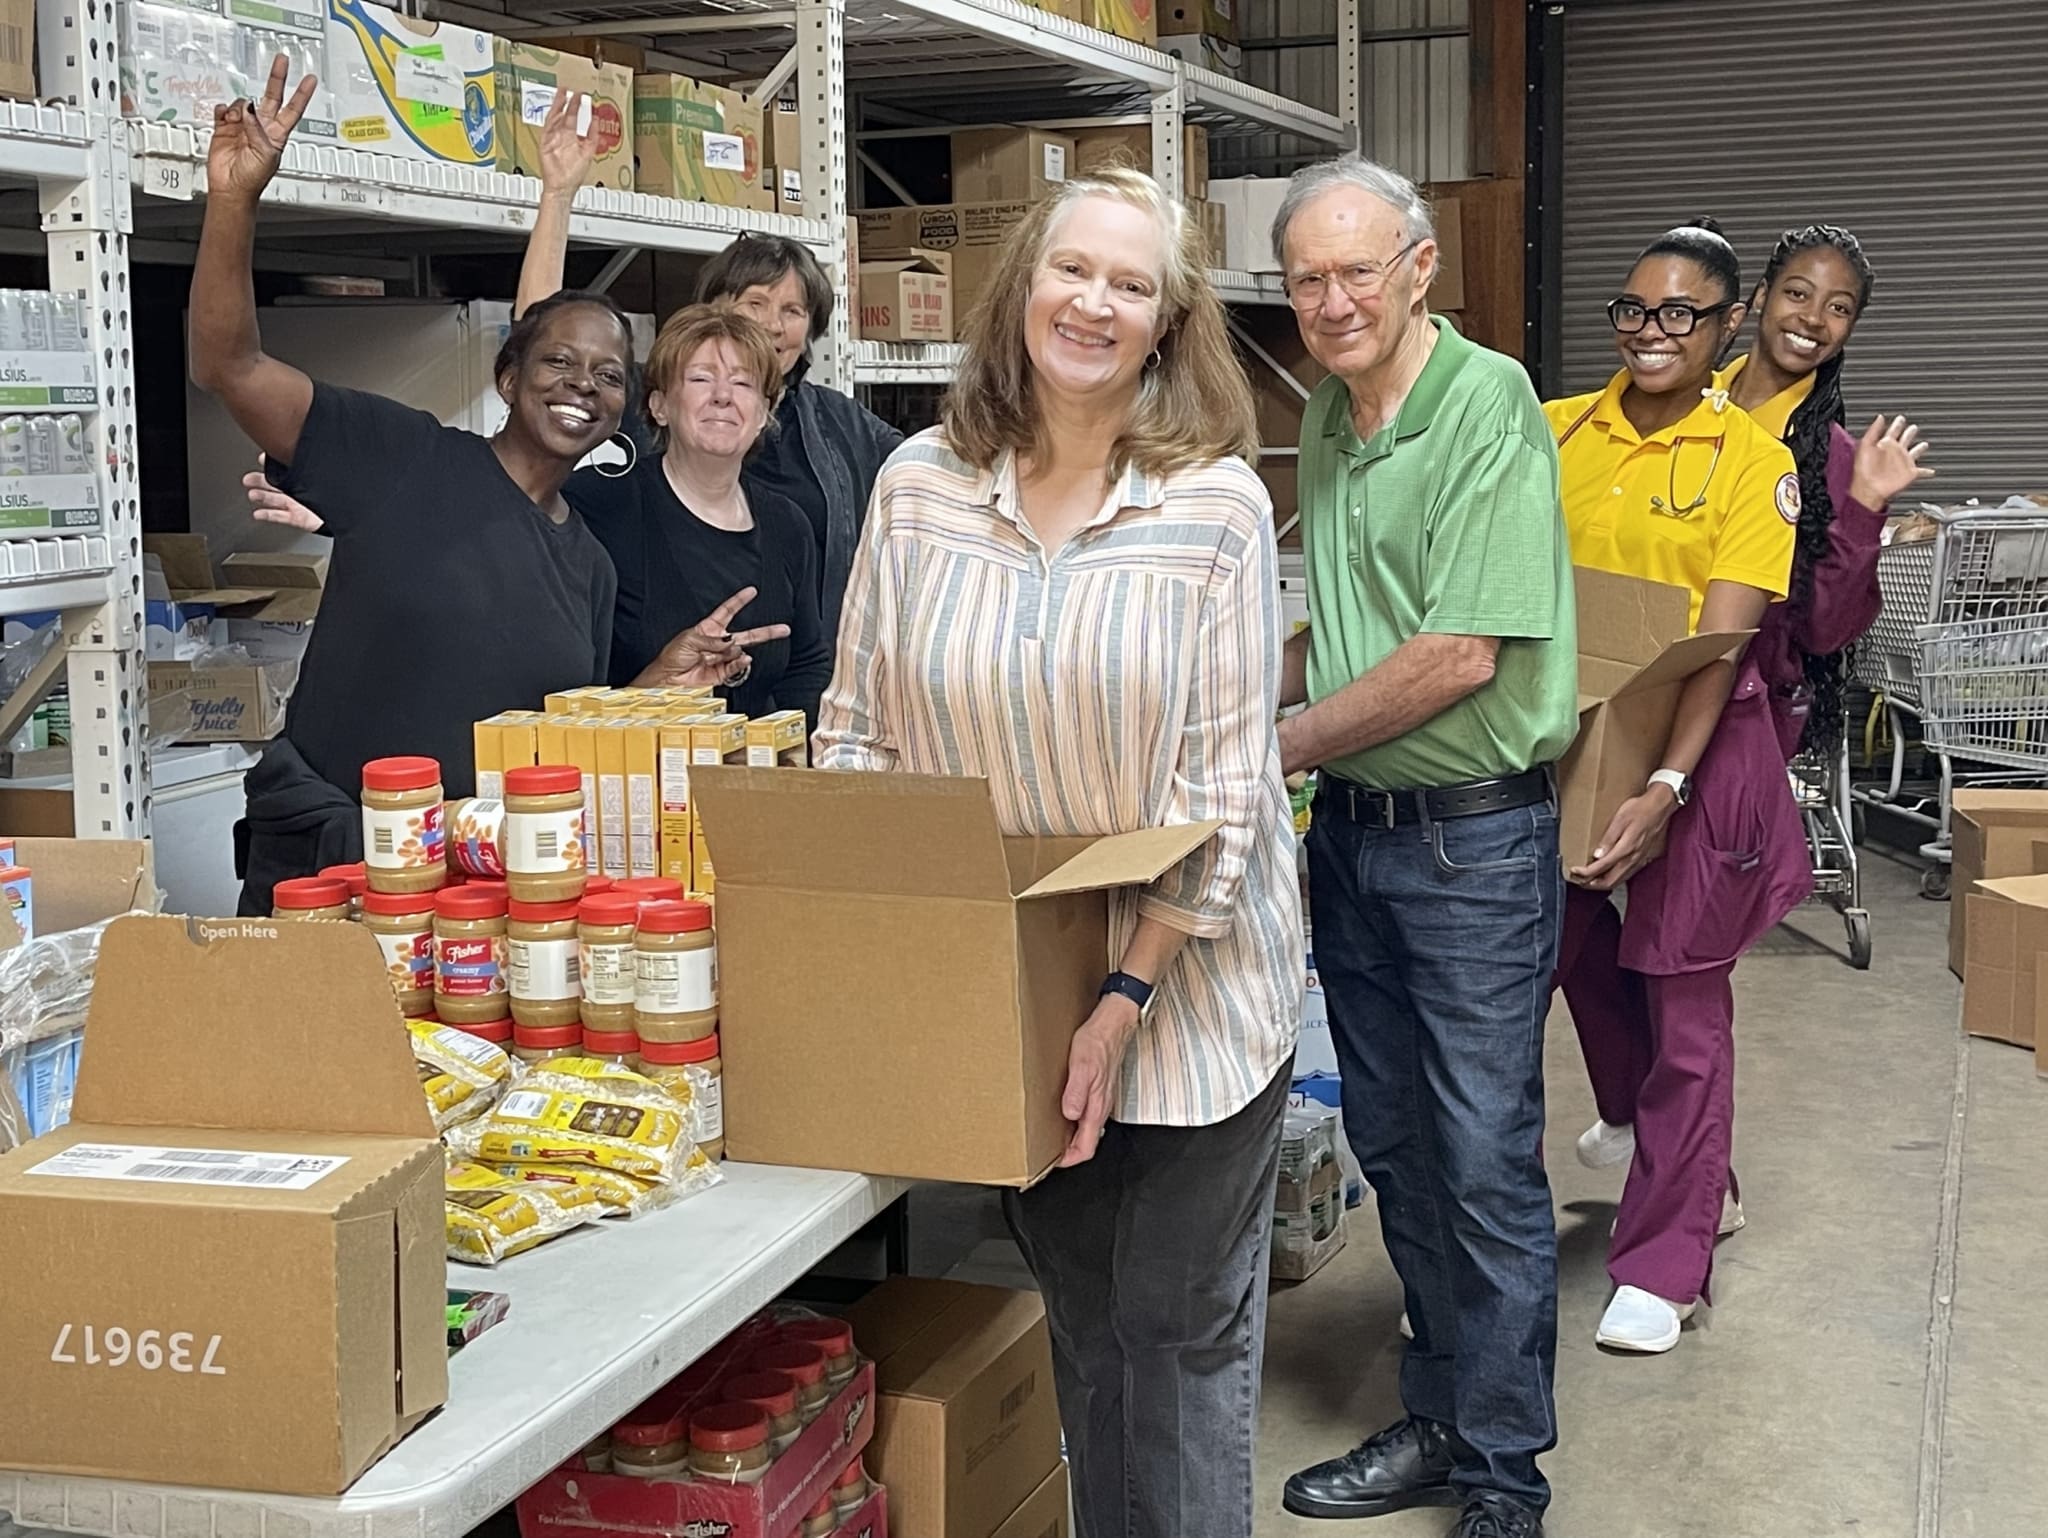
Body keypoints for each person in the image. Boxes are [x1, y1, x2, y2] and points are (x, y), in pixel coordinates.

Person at [813, 167, 1300, 1538]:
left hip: (1194, 992)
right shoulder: (918, 485)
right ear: (1022, 283)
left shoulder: (1211, 502)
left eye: (1131, 284)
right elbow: (859, 731)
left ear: (1169, 322)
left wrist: (1126, 993)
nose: (1094, 302)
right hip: (1013, 988)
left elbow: (1225, 786)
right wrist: (870, 954)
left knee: (1181, 1344)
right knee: (1082, 1323)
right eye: (1071, 269)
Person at [1271, 155, 1577, 1538]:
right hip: (1355, 835)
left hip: (1469, 851)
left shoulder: (1485, 402)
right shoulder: (1330, 422)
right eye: (1306, 280)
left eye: (1356, 271)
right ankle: (1445, 1414)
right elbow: (1340, 624)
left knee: (1482, 1157)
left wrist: (1265, 747)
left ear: (1418, 267)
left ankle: (1505, 1481)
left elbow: (1459, 649)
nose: (1333, 303)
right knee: (1394, 1143)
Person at [193, 60, 630, 915]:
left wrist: (667, 684)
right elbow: (227, 364)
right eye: (560, 365)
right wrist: (233, 199)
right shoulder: (401, 458)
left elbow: (562, 736)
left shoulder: (591, 567)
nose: (583, 385)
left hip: (471, 909)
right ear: (508, 378)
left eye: (610, 375)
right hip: (327, 878)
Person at [1545, 218, 1811, 1355]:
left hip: (1703, 747)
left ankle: (1664, 1263)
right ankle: (1656, 1134)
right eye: (1634, 310)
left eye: (1679, 313)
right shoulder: (1554, 432)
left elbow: (1720, 645)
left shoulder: (1754, 462)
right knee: (1557, 945)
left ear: (1726, 321)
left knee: (1681, 1001)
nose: (1651, 332)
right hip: (1569, 736)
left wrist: (1661, 786)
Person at [516, 96, 901, 642]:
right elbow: (543, 338)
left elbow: (934, 459)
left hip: (794, 681)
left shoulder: (836, 421)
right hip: (661, 681)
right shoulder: (666, 391)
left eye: (793, 311)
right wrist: (557, 196)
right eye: (755, 304)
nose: (773, 326)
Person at [1718, 224, 1933, 760]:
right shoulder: (1688, 405)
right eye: (1797, 293)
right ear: (1762, 296)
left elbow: (1824, 632)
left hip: (1743, 718)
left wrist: (1865, 505)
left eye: (1838, 308)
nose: (1813, 319)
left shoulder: (1837, 460)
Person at [560, 303, 831, 724]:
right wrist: (655, 687)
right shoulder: (598, 508)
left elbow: (807, 669)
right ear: (660, 406)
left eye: (743, 383)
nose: (723, 396)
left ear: (763, 413)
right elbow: (559, 688)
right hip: (628, 773)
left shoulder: (788, 523)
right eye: (701, 378)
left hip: (751, 776)